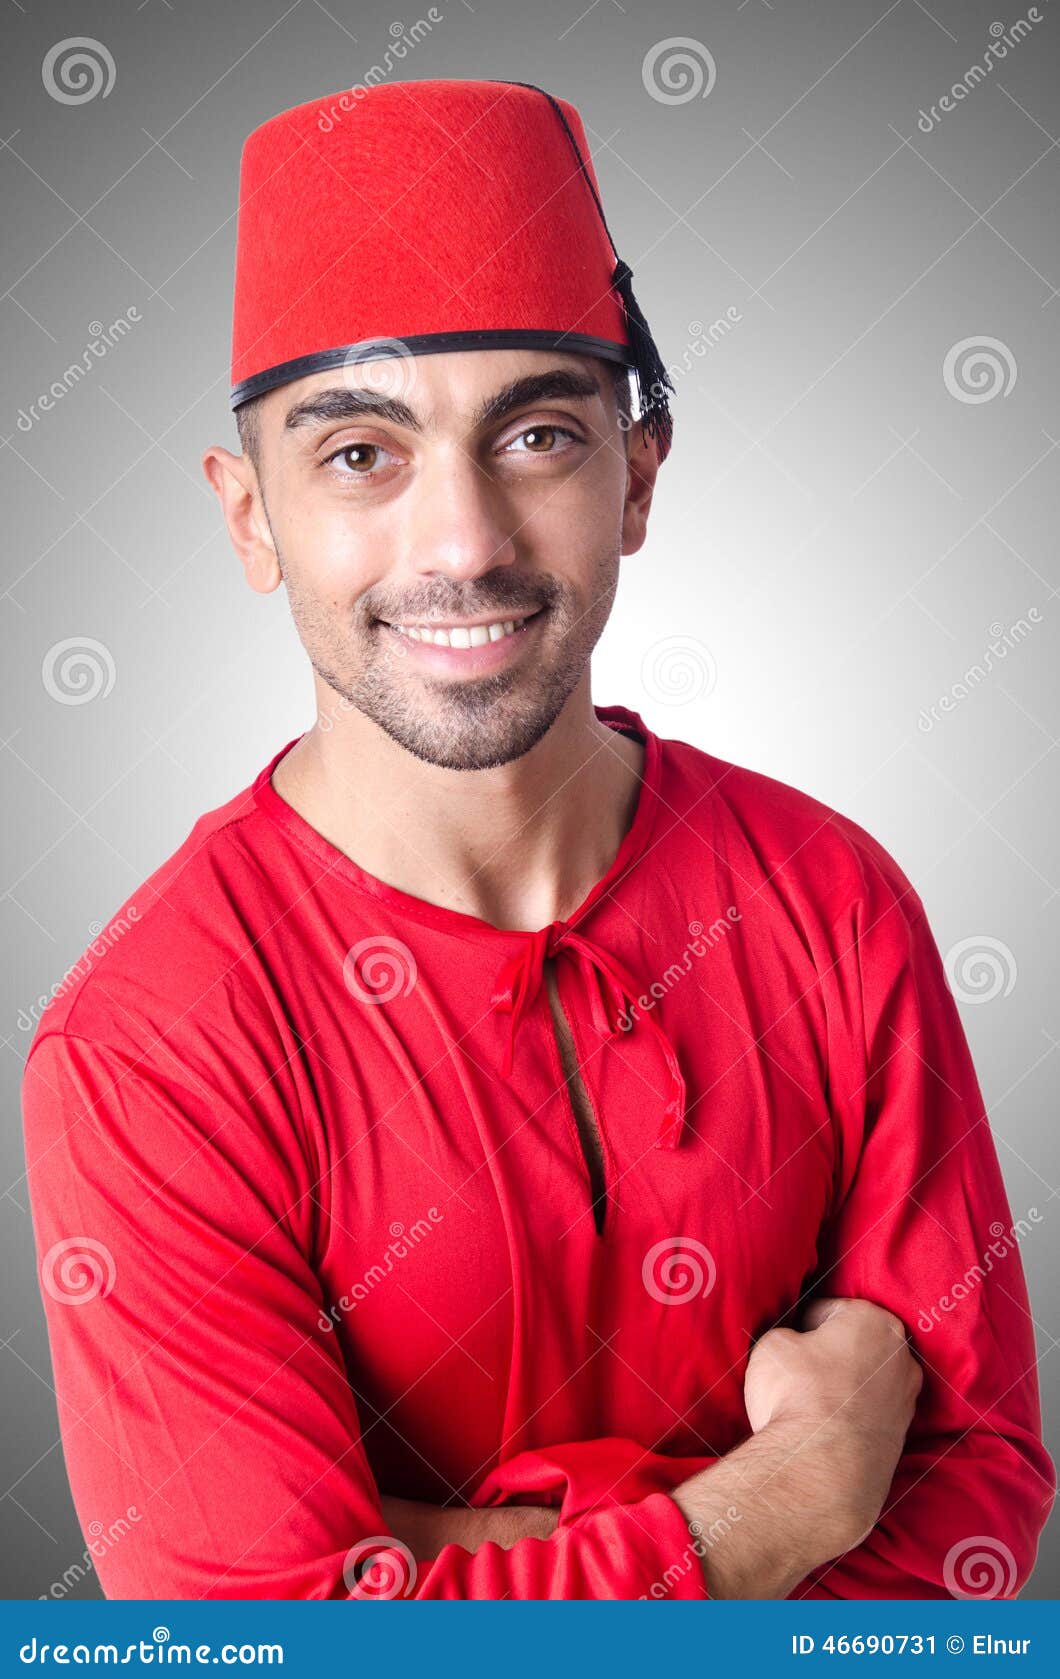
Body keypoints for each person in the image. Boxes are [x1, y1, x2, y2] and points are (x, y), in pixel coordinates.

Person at [21, 78, 1053, 1601]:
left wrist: (451, 1562)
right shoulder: (151, 1041)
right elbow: (266, 1638)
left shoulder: (832, 899)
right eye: (361, 454)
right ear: (250, 519)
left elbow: (977, 1502)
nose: (464, 545)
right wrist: (786, 1499)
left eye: (541, 433)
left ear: (636, 476)